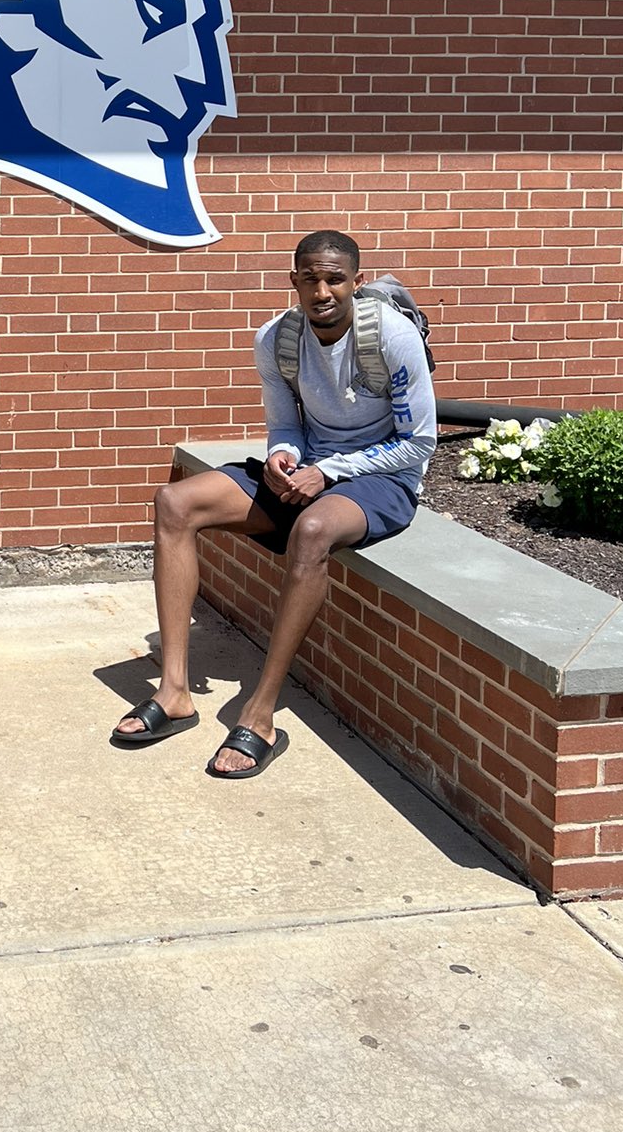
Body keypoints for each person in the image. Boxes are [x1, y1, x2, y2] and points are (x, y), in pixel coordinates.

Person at [111, 228, 437, 777]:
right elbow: (285, 425)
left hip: (383, 477)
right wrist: (283, 456)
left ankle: (260, 715)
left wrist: (328, 471)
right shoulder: (277, 339)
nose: (322, 291)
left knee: (312, 531)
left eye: (335, 279)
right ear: (294, 281)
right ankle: (174, 692)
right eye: (310, 279)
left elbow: (418, 442)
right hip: (308, 471)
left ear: (356, 282)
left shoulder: (392, 337)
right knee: (175, 503)